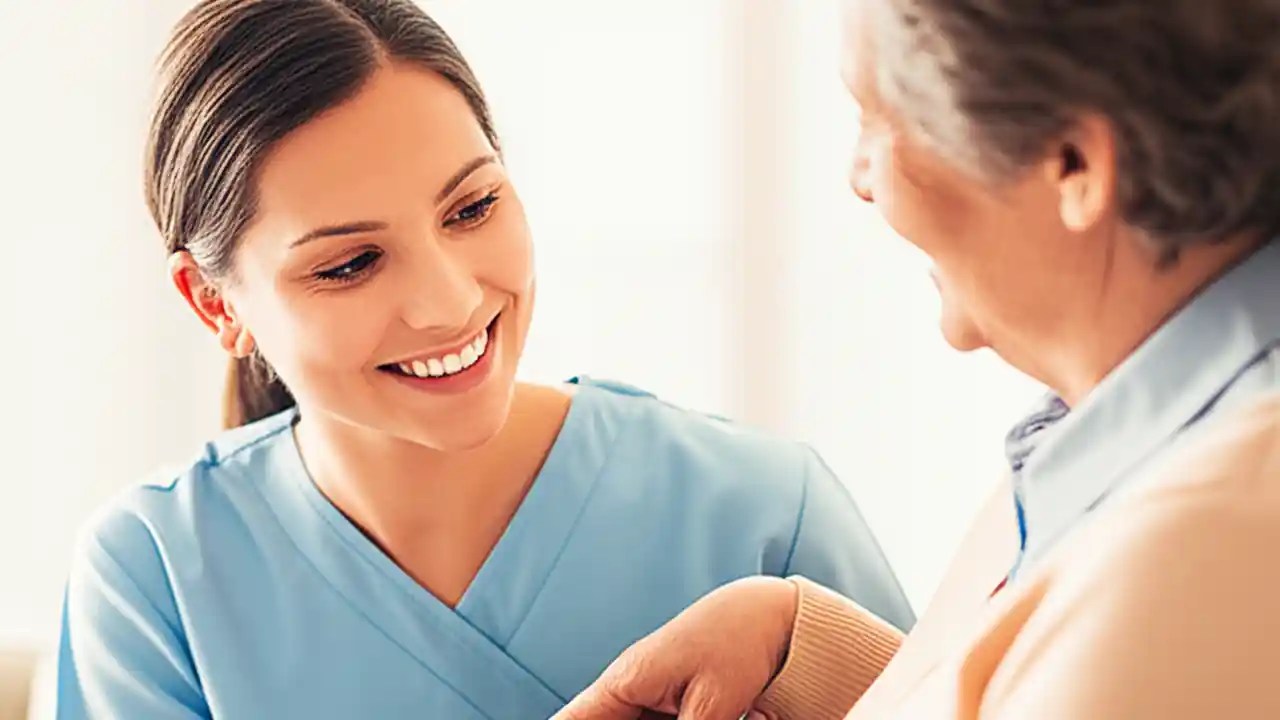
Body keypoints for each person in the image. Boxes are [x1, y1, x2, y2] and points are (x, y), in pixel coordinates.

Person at [52, 1, 915, 718]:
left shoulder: (764, 513)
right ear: (215, 302)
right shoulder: (153, 581)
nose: (452, 302)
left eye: (471, 208)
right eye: (350, 264)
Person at [556, 0, 1280, 718]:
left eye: (880, 117)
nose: (861, 178)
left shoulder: (1198, 557)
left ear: (1074, 164)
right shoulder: (1118, 421)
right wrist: (795, 649)